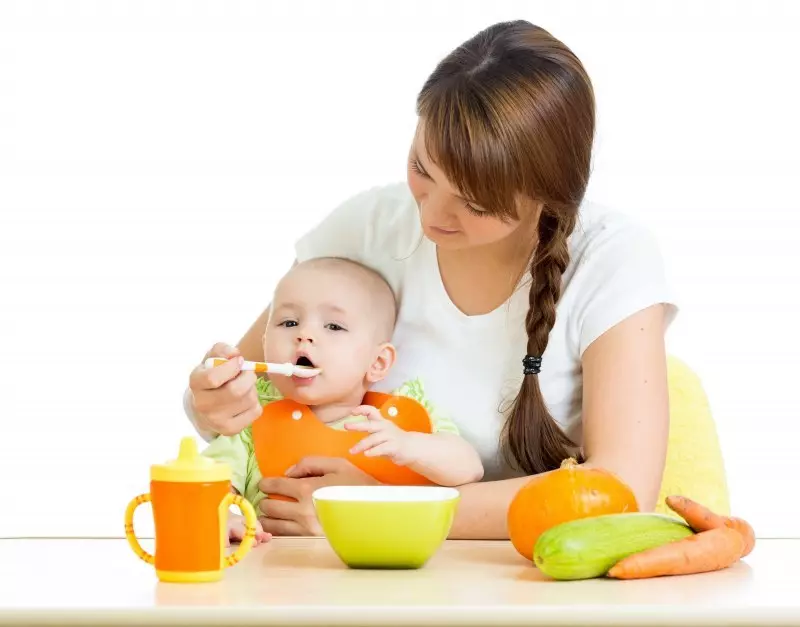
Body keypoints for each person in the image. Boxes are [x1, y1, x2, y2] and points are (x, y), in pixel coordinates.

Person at [184, 19, 677, 539]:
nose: (431, 216)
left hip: (529, 577)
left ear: (548, 195)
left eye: (473, 201)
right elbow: (250, 399)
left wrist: (382, 510)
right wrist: (212, 399)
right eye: (423, 168)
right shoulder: (367, 227)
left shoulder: (612, 257)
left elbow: (621, 491)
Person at [200, 256, 483, 543]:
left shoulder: (400, 420)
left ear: (378, 362)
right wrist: (221, 514)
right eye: (289, 322)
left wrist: (409, 445)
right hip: (274, 576)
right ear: (263, 345)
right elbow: (205, 484)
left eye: (334, 326)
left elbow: (470, 468)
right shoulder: (254, 420)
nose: (304, 335)